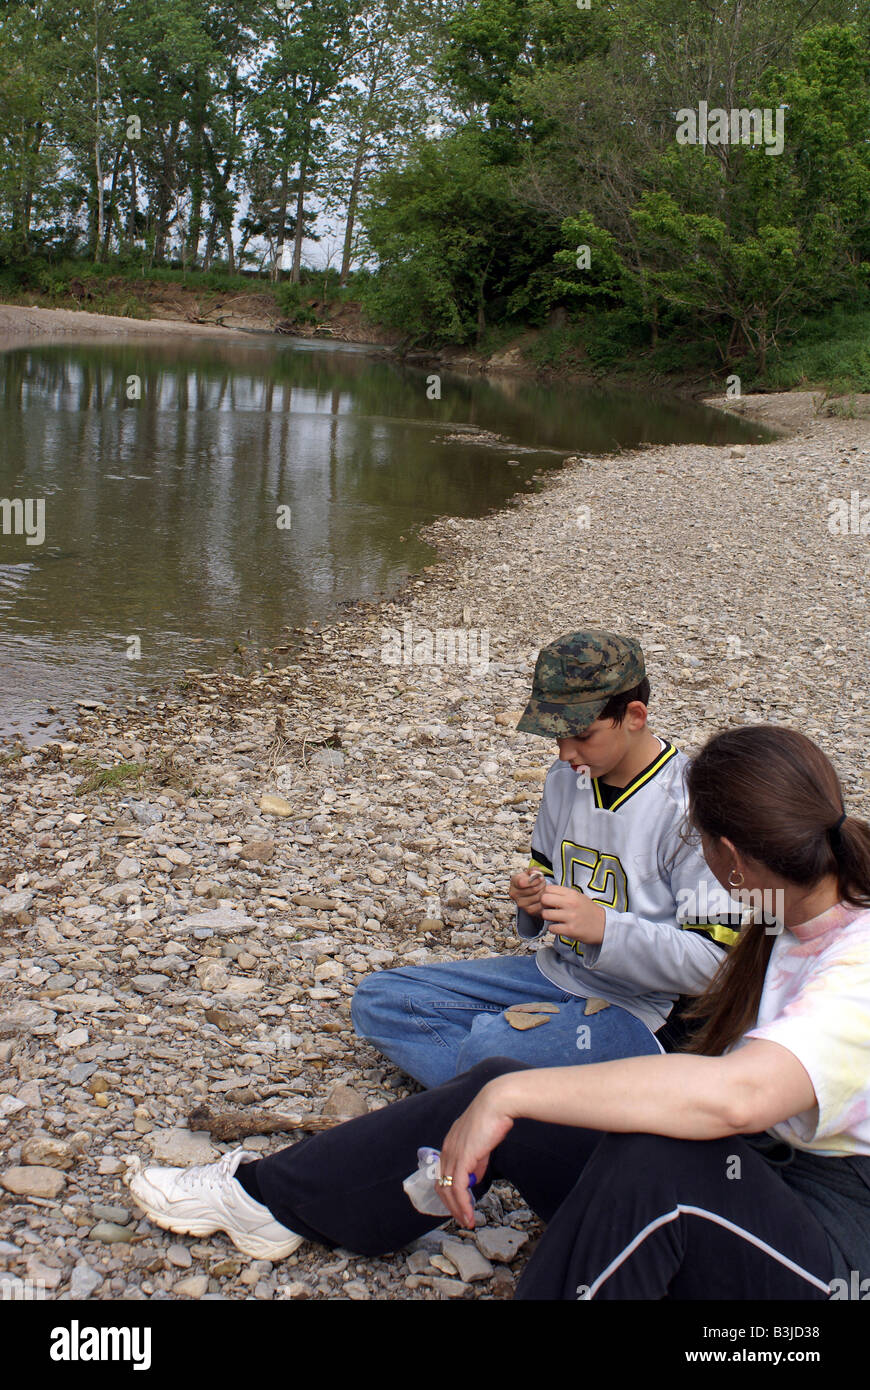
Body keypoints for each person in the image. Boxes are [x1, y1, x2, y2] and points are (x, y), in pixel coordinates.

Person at [128, 725, 870, 1299]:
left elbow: (740, 1095)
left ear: (731, 857)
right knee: (515, 1083)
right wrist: (508, 1089)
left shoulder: (855, 965)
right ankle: (271, 1201)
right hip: (764, 1183)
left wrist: (518, 1089)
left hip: (830, 1255)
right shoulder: (788, 910)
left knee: (646, 1157)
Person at [350, 630, 742, 1086]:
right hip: (560, 975)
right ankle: (532, 1097)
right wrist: (531, 900)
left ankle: (507, 1090)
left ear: (635, 716)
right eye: (556, 735)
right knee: (380, 999)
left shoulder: (693, 806)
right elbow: (547, 872)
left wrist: (606, 929)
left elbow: (717, 966)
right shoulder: (566, 778)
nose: (565, 752)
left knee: (489, 1047)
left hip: (647, 1008)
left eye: (581, 735)